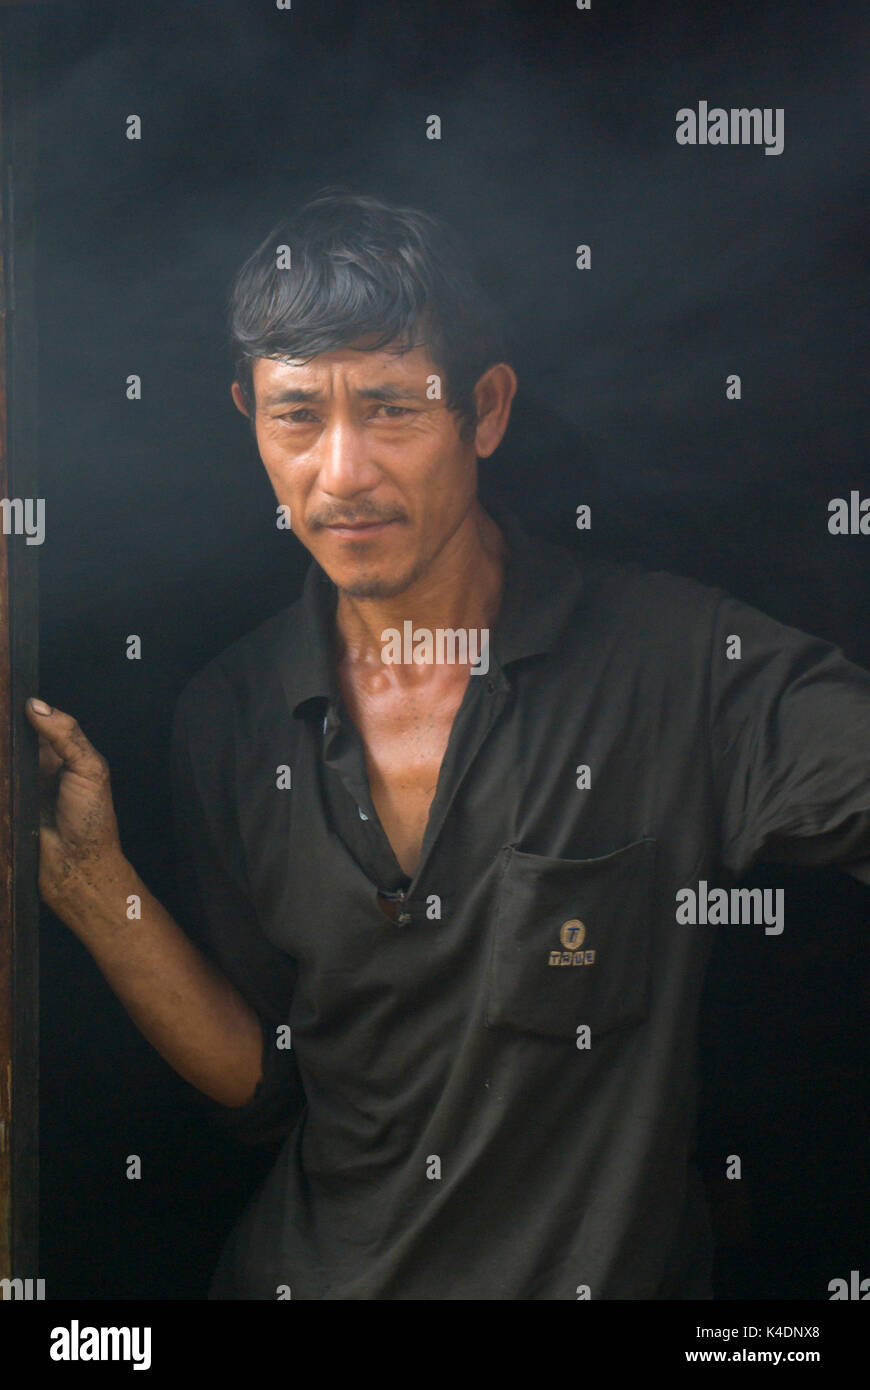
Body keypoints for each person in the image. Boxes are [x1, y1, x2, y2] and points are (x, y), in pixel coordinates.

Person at [26, 189, 870, 1300]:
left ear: (487, 410)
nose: (342, 474)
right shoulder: (228, 716)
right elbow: (268, 1087)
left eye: (389, 409)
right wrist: (90, 881)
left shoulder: (677, 663)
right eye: (296, 417)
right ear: (247, 415)